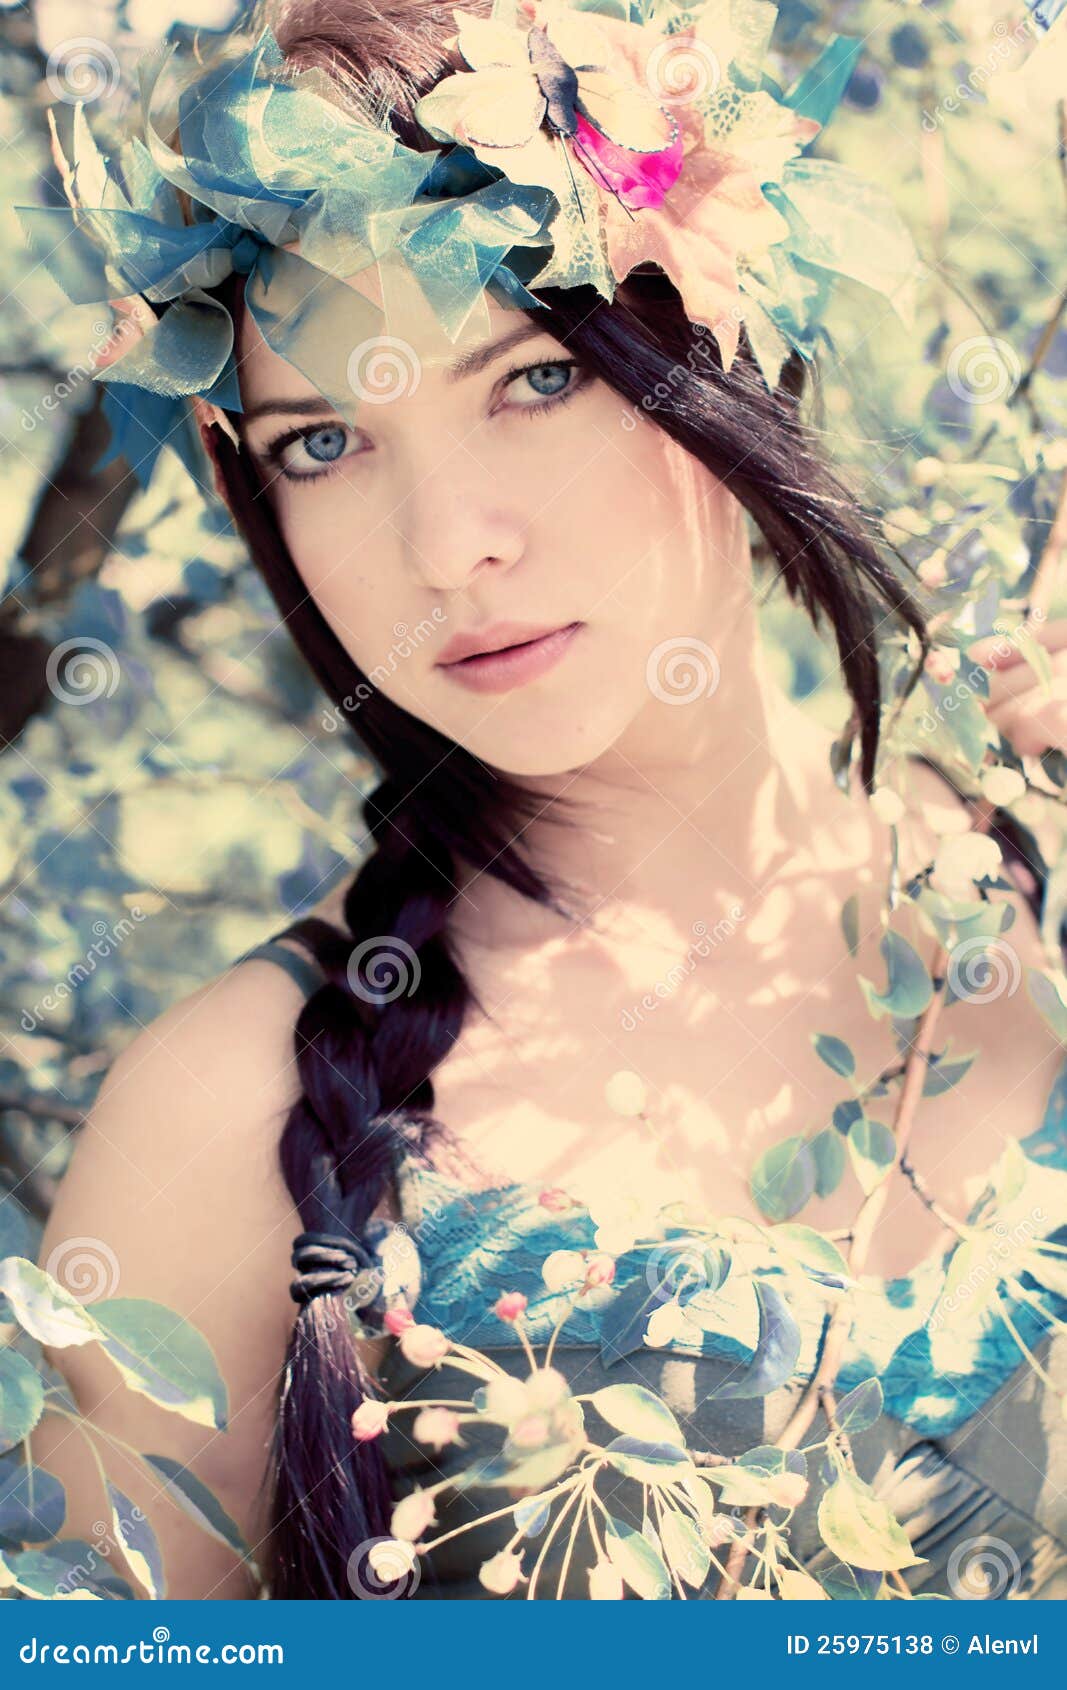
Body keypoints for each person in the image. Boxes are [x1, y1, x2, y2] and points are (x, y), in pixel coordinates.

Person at [24, 0, 1067, 1601]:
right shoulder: (225, 1121)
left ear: (726, 342)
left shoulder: (1032, 886)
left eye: (529, 383)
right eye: (322, 442)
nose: (449, 545)